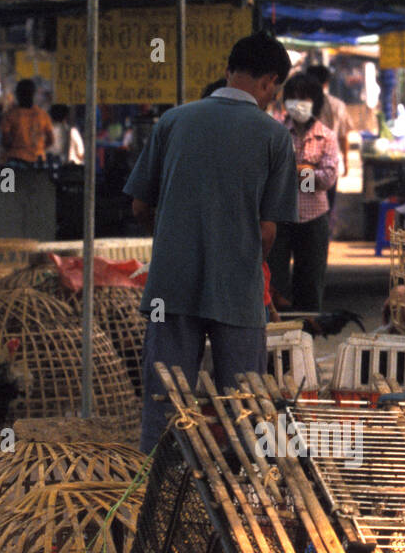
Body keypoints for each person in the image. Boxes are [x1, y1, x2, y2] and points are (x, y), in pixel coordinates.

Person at [123, 30, 299, 453]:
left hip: (171, 286)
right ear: (270, 82)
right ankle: (242, 498)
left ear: (227, 71)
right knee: (243, 403)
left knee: (166, 400)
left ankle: (153, 492)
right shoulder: (274, 136)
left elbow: (139, 208)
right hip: (237, 289)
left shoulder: (173, 121)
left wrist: (177, 234)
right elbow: (268, 230)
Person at [267, 73, 339, 312]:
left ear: (315, 102)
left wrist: (294, 172)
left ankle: (307, 334)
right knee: (274, 281)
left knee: (310, 280)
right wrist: (306, 170)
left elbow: (328, 177)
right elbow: (268, 171)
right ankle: (277, 333)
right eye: (293, 97)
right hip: (279, 216)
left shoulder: (326, 136)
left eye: (304, 98)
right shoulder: (275, 132)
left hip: (313, 217)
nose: (298, 103)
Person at [305, 63, 351, 200]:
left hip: (307, 164)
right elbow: (343, 136)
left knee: (308, 201)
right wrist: (346, 161)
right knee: (327, 205)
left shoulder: (301, 105)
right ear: (326, 83)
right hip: (330, 164)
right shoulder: (338, 105)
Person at [0, 80, 54, 166]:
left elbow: (5, 141)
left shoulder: (10, 115)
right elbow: (50, 140)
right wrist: (38, 148)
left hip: (16, 160)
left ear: (17, 94)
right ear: (33, 94)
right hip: (38, 161)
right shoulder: (43, 115)